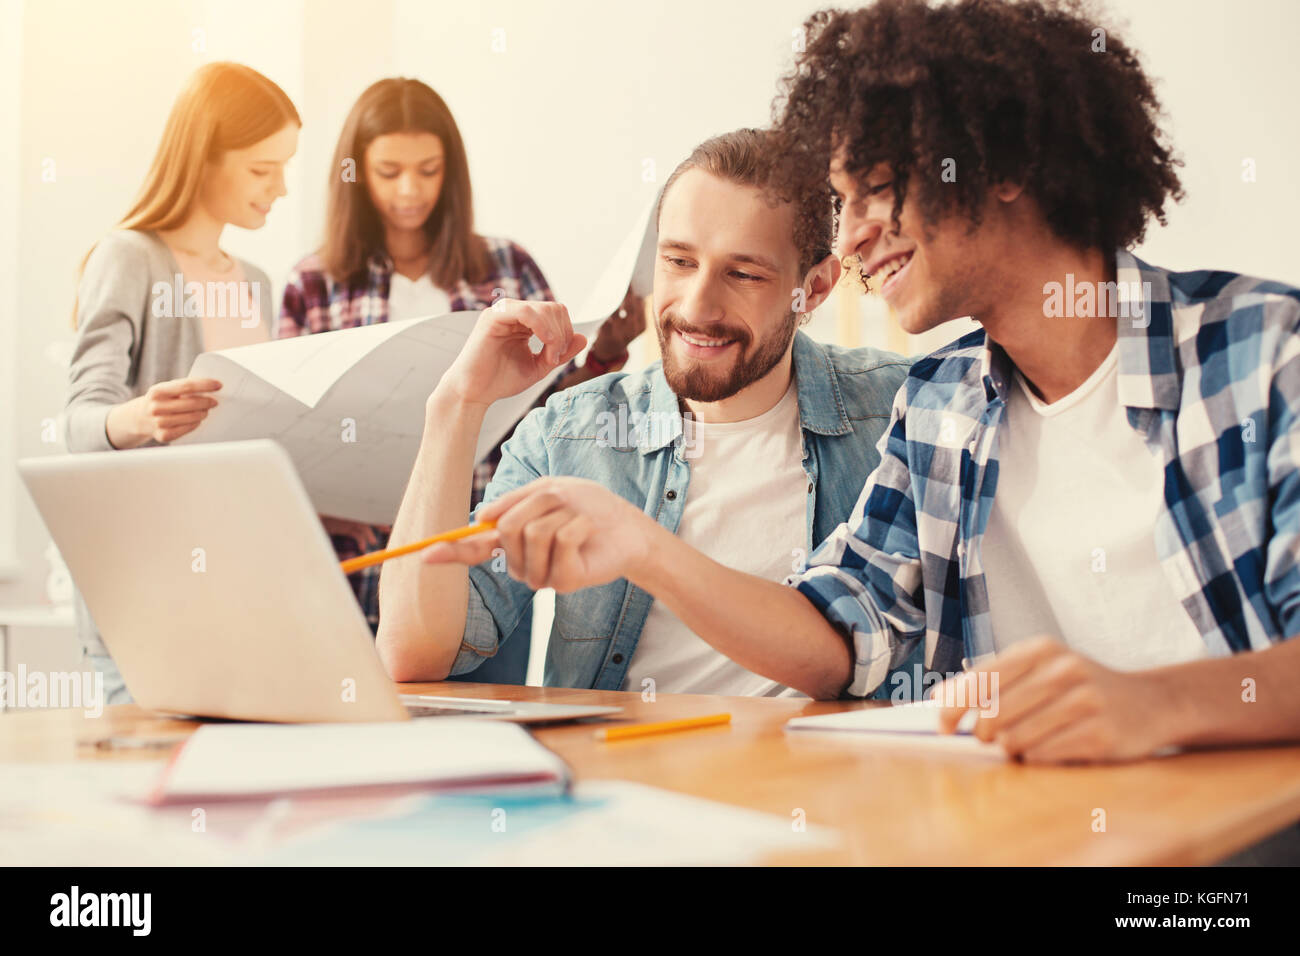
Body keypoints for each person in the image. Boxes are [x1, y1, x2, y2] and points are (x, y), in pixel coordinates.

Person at [424, 0, 1300, 763]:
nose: (849, 242)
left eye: (876, 191)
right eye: (841, 206)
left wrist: (1151, 704)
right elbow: (840, 634)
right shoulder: (944, 404)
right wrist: (642, 548)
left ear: (1001, 168)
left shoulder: (1260, 354)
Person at [378, 128, 911, 697]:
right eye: (679, 261)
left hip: (811, 781)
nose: (697, 306)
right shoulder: (572, 435)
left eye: (744, 274)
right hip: (624, 778)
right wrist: (457, 405)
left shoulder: (897, 412)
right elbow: (414, 653)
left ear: (816, 287)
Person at [279, 78, 644, 682]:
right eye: (388, 171)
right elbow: (287, 427)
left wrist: (600, 357)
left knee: (480, 742)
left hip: (481, 568)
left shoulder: (505, 267)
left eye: (428, 170)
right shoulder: (311, 283)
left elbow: (548, 413)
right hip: (350, 562)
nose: (409, 191)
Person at [65, 62, 300, 704]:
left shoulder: (255, 281)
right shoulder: (129, 257)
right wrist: (142, 417)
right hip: (146, 594)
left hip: (238, 587)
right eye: (262, 169)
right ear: (204, 157)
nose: (280, 188)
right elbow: (79, 422)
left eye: (285, 167)